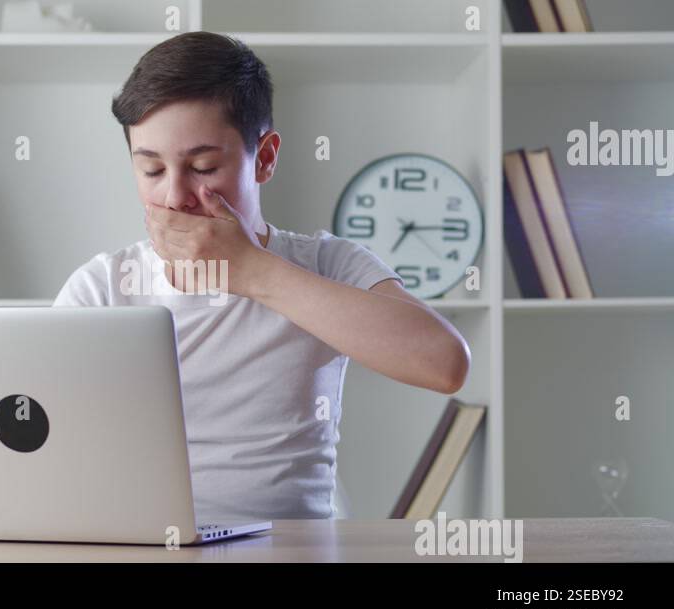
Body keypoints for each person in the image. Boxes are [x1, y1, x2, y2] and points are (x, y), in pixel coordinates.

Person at [53, 31, 470, 524]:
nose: (175, 195)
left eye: (203, 166)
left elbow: (444, 364)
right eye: (151, 170)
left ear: (265, 157)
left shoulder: (325, 264)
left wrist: (253, 271)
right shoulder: (103, 287)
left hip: (294, 550)